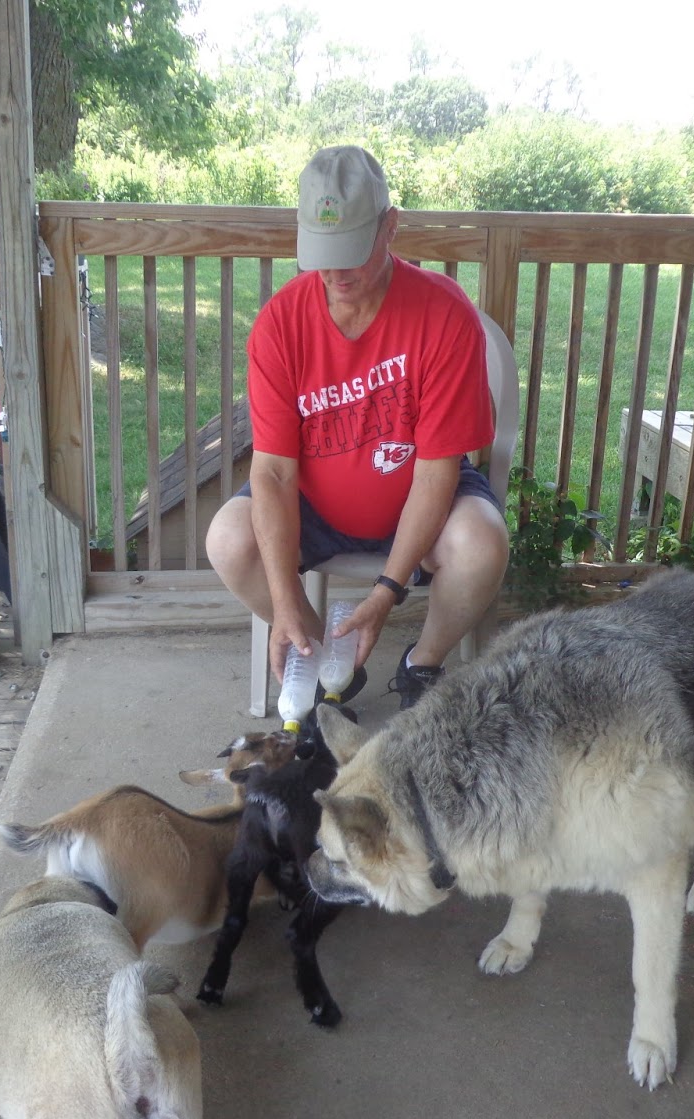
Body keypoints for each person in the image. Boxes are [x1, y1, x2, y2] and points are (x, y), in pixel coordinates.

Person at [206, 145, 510, 710]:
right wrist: (285, 598)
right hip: (313, 506)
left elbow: (435, 470)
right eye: (322, 254)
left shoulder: (445, 314)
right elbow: (271, 473)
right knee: (227, 536)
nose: (337, 273)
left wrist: (388, 590)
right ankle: (321, 652)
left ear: (390, 227)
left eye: (352, 251)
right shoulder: (280, 323)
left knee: (482, 542)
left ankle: (423, 663)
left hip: (419, 500)